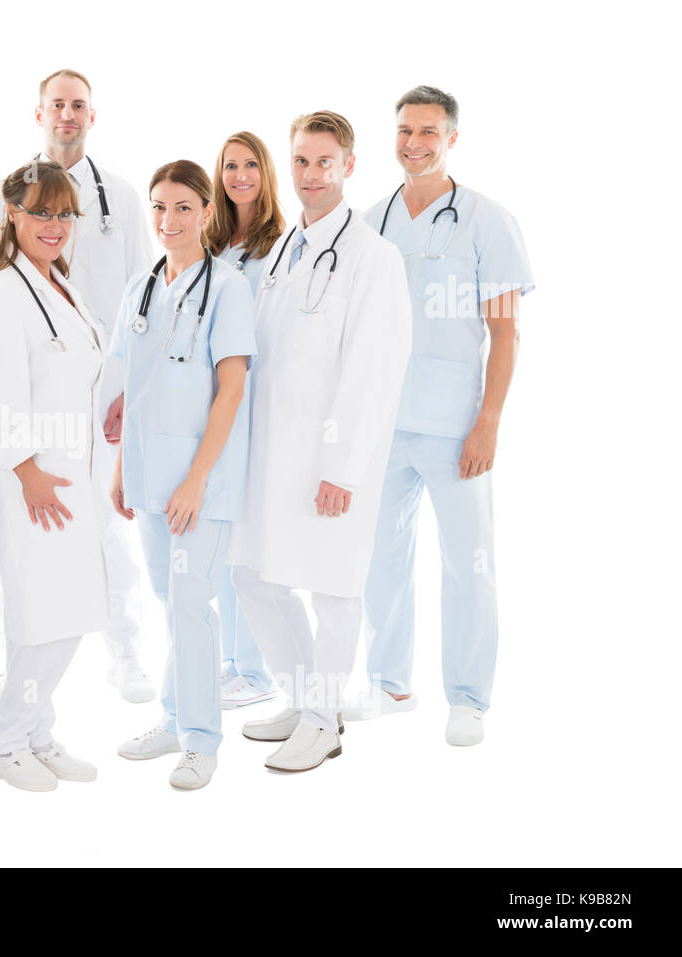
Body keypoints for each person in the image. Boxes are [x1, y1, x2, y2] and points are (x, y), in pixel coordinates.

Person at [230, 110, 412, 773]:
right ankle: (305, 698)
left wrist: (343, 466)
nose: (311, 175)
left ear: (349, 167)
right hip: (270, 451)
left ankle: (324, 721)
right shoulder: (285, 247)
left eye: (324, 162)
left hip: (331, 459)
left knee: (332, 588)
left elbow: (374, 370)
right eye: (302, 161)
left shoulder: (373, 257)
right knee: (254, 573)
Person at [356, 86, 535, 746]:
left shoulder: (488, 220)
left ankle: (467, 696)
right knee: (381, 558)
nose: (414, 142)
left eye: (428, 131)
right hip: (386, 423)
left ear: (451, 138)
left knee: (470, 561)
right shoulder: (371, 221)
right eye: (404, 130)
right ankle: (390, 682)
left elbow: (507, 332)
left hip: (456, 424)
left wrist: (489, 419)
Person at [0, 68, 155, 704]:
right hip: (34, 394)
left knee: (109, 525)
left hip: (102, 390)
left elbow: (144, 296)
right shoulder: (2, 196)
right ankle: (14, 665)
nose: (68, 114)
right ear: (39, 113)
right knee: (22, 537)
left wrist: (131, 387)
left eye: (79, 105)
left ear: (92, 115)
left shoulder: (124, 198)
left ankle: (126, 651)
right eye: (58, 104)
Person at [111, 160, 256, 791]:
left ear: (204, 212)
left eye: (182, 208)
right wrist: (121, 470)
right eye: (158, 207)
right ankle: (173, 718)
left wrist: (197, 479)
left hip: (203, 480)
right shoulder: (141, 287)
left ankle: (201, 740)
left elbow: (231, 392)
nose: (168, 221)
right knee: (172, 602)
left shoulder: (227, 287)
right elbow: (131, 392)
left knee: (193, 602)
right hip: (148, 475)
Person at [0, 160, 106, 792]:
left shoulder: (59, 285)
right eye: (41, 212)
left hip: (69, 474)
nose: (54, 225)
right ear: (14, 216)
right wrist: (28, 473)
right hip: (32, 481)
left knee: (64, 606)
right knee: (47, 613)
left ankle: (37, 734)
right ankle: (5, 740)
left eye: (64, 213)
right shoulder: (0, 295)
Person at [203, 131, 288, 709]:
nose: (239, 176)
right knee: (225, 536)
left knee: (252, 540)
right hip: (215, 403)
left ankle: (256, 670)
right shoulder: (211, 242)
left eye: (250, 165)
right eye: (230, 166)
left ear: (266, 173)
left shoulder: (280, 244)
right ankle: (235, 662)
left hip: (260, 402)